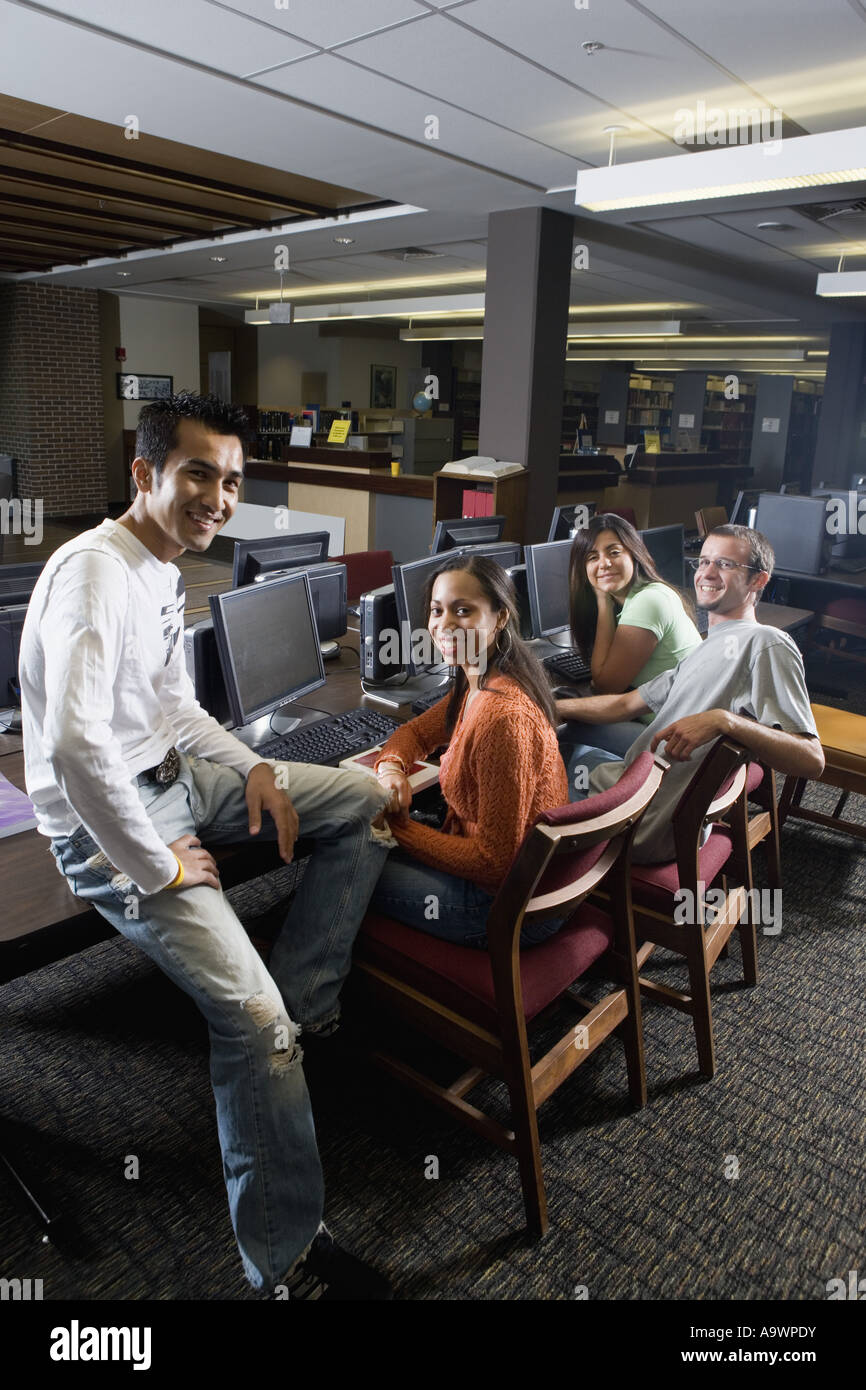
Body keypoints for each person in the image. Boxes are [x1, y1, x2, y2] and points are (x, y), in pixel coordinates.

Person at [19, 392, 393, 1300]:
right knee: (253, 1024)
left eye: (230, 480)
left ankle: (302, 1009)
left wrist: (257, 764)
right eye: (198, 474)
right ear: (144, 474)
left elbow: (173, 705)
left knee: (368, 802)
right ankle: (286, 1255)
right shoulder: (95, 575)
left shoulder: (164, 568)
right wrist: (156, 863)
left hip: (178, 775)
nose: (218, 498)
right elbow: (76, 750)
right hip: (113, 828)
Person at [554, 525, 824, 864]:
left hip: (637, 820)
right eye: (704, 561)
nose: (707, 573)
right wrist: (552, 706)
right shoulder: (708, 647)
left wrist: (725, 721)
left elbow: (812, 760)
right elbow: (625, 703)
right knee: (564, 744)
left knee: (514, 777)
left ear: (758, 581)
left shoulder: (765, 643)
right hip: (635, 793)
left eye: (725, 564)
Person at [371, 554, 568, 948]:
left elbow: (494, 863)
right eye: (436, 610)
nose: (443, 625)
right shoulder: (480, 677)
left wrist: (395, 828)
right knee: (358, 849)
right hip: (519, 879)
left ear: (499, 618)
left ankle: (306, 993)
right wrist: (391, 768)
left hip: (508, 907)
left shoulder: (503, 716)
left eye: (463, 611)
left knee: (345, 866)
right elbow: (412, 734)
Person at [560, 513, 701, 768]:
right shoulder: (643, 596)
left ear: (633, 554)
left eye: (613, 552)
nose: (604, 563)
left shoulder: (647, 601)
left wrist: (602, 600)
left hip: (678, 742)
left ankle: (578, 803)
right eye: (592, 557)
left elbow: (606, 686)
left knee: (564, 733)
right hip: (672, 727)